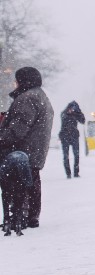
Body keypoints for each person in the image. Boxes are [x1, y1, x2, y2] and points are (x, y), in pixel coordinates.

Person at [0, 67, 54, 228]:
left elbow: (18, 129)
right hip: (35, 150)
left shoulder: (27, 98)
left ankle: (20, 217)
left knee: (18, 183)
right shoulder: (40, 96)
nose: (14, 83)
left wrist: (2, 138)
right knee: (31, 182)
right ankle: (30, 217)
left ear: (24, 81)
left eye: (17, 80)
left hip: (23, 151)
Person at [1, 149, 34, 236]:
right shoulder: (25, 159)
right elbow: (29, 181)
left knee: (5, 196)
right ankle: (18, 223)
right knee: (19, 198)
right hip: (21, 170)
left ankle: (6, 222)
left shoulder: (7, 158)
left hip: (7, 170)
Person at [60, 100, 87, 178]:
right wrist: (71, 114)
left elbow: (83, 121)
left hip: (74, 136)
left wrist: (79, 113)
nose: (72, 110)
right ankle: (68, 174)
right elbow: (64, 119)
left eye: (74, 109)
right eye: (71, 108)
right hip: (65, 137)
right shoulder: (64, 114)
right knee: (66, 156)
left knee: (76, 155)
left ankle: (76, 173)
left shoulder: (76, 114)